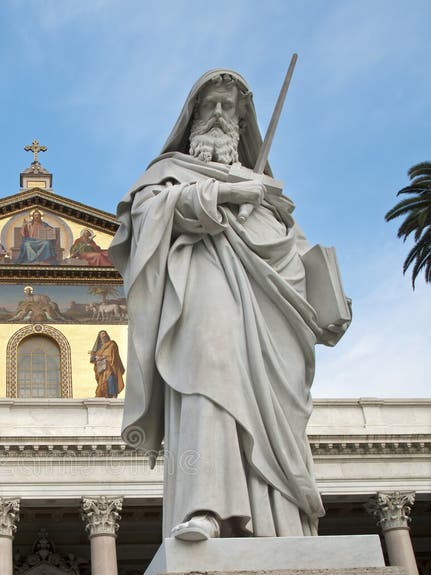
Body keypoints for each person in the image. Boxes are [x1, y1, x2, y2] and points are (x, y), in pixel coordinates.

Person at [110, 69, 350, 542]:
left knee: (273, 408)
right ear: (193, 116)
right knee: (205, 375)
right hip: (204, 286)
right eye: (210, 106)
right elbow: (145, 214)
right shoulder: (169, 172)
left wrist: (328, 300)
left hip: (270, 314)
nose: (219, 115)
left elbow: (293, 249)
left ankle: (281, 521)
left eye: (229, 108)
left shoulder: (266, 188)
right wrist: (224, 193)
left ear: (242, 121)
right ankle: (207, 507)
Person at [89, 330, 125, 398]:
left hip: (110, 366)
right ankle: (106, 395)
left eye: (104, 334)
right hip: (102, 368)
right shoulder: (100, 348)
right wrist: (96, 357)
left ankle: (113, 394)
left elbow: (113, 355)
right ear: (100, 338)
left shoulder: (112, 344)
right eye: (102, 335)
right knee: (102, 382)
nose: (104, 336)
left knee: (110, 378)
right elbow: (96, 357)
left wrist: (103, 357)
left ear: (107, 335)